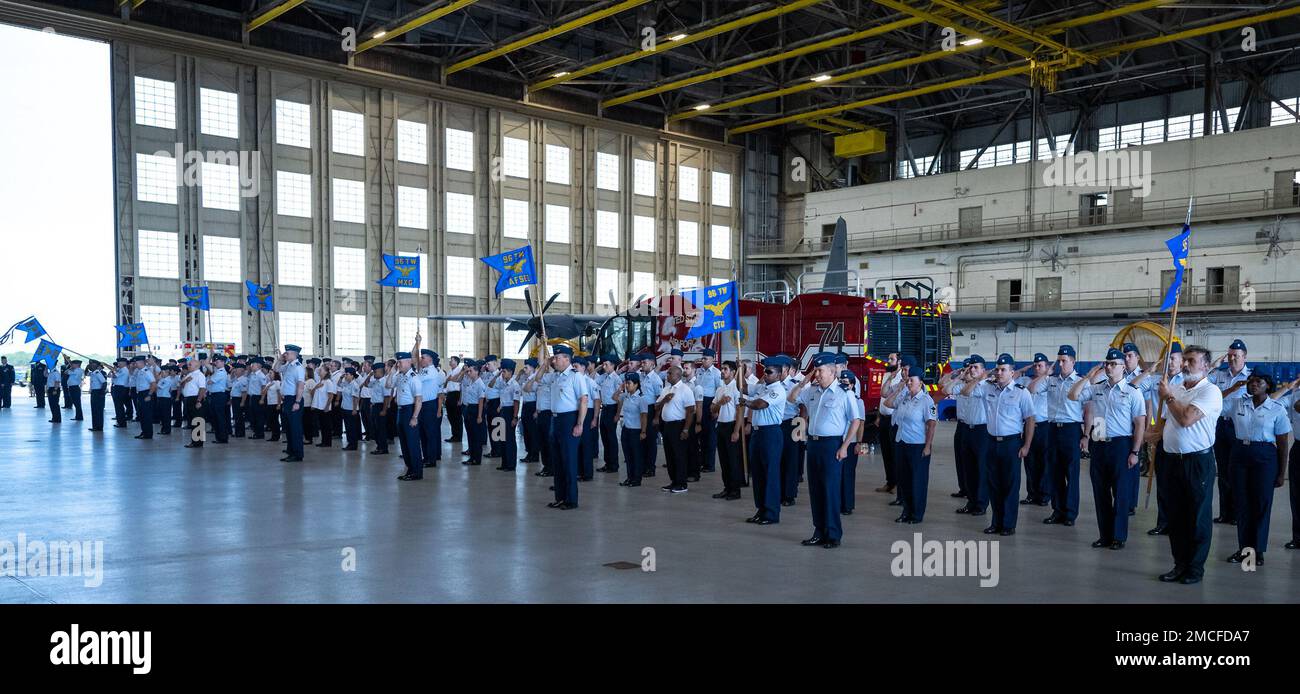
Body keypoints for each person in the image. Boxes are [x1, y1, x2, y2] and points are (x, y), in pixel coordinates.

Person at [1155, 344, 1223, 585]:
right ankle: (1179, 564)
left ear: (1205, 366)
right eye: (1184, 360)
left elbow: (1185, 419)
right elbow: (1164, 425)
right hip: (1172, 461)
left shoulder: (1211, 391)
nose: (1184, 364)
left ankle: (1195, 569)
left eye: (1191, 361)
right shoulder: (1177, 389)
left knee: (1197, 516)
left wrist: (1168, 396)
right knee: (1176, 517)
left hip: (1197, 462)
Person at [1070, 348, 1147, 550]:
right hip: (1099, 442)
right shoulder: (1097, 389)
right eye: (1107, 364)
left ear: (1123, 366)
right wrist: (1088, 376)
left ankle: (1118, 536)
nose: (1109, 367)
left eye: (1114, 364)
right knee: (1100, 493)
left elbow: (1140, 423)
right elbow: (1073, 395)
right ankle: (1105, 535)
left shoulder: (1132, 392)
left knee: (1121, 494)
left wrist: (1135, 451)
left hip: (1121, 445)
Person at [790, 353, 863, 548]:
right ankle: (818, 530)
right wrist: (803, 381)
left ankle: (833, 534)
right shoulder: (812, 391)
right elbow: (791, 398)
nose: (817, 375)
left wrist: (845, 446)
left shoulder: (844, 392)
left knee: (830, 489)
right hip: (813, 444)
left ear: (832, 372)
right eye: (815, 371)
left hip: (832, 445)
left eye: (820, 371)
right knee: (815, 490)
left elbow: (855, 420)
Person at [962, 353, 1035, 536]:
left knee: (1010, 485)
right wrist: (980, 377)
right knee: (993, 484)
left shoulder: (1021, 392)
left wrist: (1026, 445)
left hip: (1011, 443)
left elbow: (1030, 419)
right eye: (998, 369)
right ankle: (996, 522)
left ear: (1012, 372)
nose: (1000, 373)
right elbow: (966, 392)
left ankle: (1008, 524)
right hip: (991, 442)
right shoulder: (988, 388)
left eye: (1004, 370)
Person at [1226, 370, 1290, 565]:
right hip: (1239, 454)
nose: (1253, 384)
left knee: (1261, 504)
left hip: (1264, 457)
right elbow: (1215, 406)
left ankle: (1258, 551)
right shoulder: (1237, 403)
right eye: (1251, 381)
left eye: (1258, 382)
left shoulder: (1277, 409)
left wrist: (1281, 473)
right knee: (1242, 504)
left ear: (1267, 386)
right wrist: (1231, 389)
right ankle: (1245, 551)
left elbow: (1283, 443)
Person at [884, 360, 937, 524]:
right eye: (908, 380)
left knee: (917, 481)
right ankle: (906, 511)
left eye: (911, 381)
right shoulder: (905, 396)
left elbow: (931, 425)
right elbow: (887, 403)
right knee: (904, 480)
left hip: (918, 445)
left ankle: (916, 513)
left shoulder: (926, 401)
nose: (909, 383)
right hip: (902, 443)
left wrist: (928, 446)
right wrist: (899, 388)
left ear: (920, 382)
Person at [738, 357, 787, 525]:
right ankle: (761, 509)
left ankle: (772, 513)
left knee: (770, 473)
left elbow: (760, 404)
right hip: (758, 434)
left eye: (769, 372)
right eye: (764, 371)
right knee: (757, 473)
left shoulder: (778, 390)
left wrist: (746, 402)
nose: (765, 374)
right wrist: (740, 370)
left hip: (771, 433)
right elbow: (742, 387)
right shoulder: (761, 387)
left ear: (779, 374)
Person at [940, 355, 990, 517]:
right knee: (968, 468)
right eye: (971, 367)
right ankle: (971, 501)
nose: (972, 370)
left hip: (981, 431)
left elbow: (967, 391)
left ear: (983, 370)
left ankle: (981, 503)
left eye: (976, 367)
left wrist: (977, 379)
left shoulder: (987, 386)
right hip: (966, 429)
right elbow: (946, 389)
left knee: (981, 468)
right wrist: (960, 375)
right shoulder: (962, 383)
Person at [1209, 339, 1251, 525]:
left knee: (1239, 472)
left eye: (1237, 355)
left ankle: (1238, 514)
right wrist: (1213, 365)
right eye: (1230, 355)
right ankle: (1225, 513)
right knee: (1224, 471)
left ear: (1244, 357)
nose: (1233, 358)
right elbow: (1199, 378)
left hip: (1239, 426)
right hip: (1220, 425)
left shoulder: (1251, 378)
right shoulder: (1218, 375)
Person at [1043, 345, 1084, 527]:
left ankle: (1070, 513)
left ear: (1073, 362)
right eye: (1058, 360)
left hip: (1071, 429)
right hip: (1052, 429)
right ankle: (1057, 510)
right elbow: (1031, 389)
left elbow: (1089, 410)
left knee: (1071, 473)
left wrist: (1087, 435)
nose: (1060, 364)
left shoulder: (1081, 382)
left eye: (1064, 361)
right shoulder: (1051, 380)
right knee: (1054, 472)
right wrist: (1047, 373)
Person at [1148, 343, 1185, 536]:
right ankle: (1163, 522)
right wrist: (1151, 369)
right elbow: (1133, 385)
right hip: (1159, 435)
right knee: (1162, 482)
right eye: (1167, 357)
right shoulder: (1155, 380)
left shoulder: (1186, 381)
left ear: (1182, 360)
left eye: (1173, 357)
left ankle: (1179, 522)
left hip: (1178, 436)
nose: (1170, 361)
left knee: (1179, 483)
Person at [546, 345, 587, 510]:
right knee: (557, 461)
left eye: (557, 358)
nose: (554, 360)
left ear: (566, 359)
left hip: (569, 419)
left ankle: (571, 499)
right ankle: (560, 497)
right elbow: (538, 378)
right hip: (555, 420)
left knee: (569, 461)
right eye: (554, 358)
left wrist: (579, 423)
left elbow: (583, 400)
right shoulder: (556, 376)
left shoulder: (575, 376)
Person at [654, 365, 696, 494]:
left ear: (677, 375)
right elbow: (656, 406)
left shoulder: (685, 389)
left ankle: (682, 483)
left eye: (669, 373)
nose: (667, 376)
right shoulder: (666, 389)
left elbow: (690, 411)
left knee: (679, 455)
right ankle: (674, 481)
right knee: (669, 455)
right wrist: (664, 400)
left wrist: (686, 430)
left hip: (679, 425)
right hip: (667, 425)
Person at [1018, 354, 1052, 506]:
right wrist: (1026, 369)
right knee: (1029, 461)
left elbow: (1034, 389)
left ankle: (1044, 495)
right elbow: (1015, 376)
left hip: (1044, 426)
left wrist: (1046, 376)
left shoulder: (1051, 381)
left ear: (1047, 366)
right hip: (1028, 426)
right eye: (1035, 365)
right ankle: (1032, 494)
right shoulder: (1026, 380)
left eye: (1041, 366)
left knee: (1044, 462)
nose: (1037, 368)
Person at [711, 361, 743, 500]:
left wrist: (736, 431)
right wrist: (720, 403)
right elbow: (712, 410)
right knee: (723, 460)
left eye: (725, 369)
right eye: (722, 369)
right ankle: (727, 487)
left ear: (733, 372)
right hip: (721, 425)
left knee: (733, 460)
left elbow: (740, 411)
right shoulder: (720, 389)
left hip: (731, 425)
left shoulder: (737, 388)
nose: (722, 371)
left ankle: (735, 490)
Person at [875, 352, 904, 497]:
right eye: (889, 358)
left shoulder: (903, 377)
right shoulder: (887, 375)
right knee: (886, 452)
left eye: (892, 359)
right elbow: (882, 396)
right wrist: (879, 415)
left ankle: (898, 484)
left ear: (899, 361)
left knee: (894, 453)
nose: (889, 361)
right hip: (884, 418)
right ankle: (890, 482)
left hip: (895, 418)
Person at [393, 351, 424, 480]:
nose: (398, 364)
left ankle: (416, 472)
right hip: (400, 411)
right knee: (404, 444)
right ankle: (409, 469)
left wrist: (414, 417)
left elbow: (418, 399)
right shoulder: (400, 376)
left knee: (412, 443)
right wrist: (392, 371)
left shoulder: (413, 378)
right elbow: (389, 384)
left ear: (408, 362)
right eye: (397, 362)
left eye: (400, 362)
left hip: (409, 411)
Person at [617, 372, 647, 486]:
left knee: (636, 456)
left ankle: (636, 479)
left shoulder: (641, 398)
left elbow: (644, 416)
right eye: (626, 383)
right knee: (628, 455)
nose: (627, 385)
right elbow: (614, 398)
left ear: (636, 384)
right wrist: (620, 389)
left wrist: (643, 431)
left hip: (636, 430)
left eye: (629, 383)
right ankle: (629, 477)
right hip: (626, 429)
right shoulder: (626, 396)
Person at [695, 348, 722, 473]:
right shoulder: (698, 371)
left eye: (706, 358)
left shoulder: (716, 373)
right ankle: (700, 461)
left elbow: (719, 390)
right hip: (699, 403)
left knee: (710, 435)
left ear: (713, 359)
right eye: (703, 358)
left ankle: (709, 464)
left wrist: (716, 409)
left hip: (710, 403)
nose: (703, 360)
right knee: (700, 435)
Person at [279, 345, 306, 462]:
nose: (285, 355)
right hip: (287, 399)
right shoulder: (288, 365)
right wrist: (279, 359)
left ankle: (298, 454)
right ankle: (291, 450)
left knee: (295, 428)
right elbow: (276, 369)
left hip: (294, 399)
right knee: (289, 427)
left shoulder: (298, 367)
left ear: (294, 354)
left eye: (287, 353)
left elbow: (300, 386)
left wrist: (297, 402)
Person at [638, 355, 663, 477]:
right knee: (642, 439)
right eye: (642, 362)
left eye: (645, 362)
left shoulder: (655, 379)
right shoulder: (641, 376)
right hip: (641, 410)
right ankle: (642, 465)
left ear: (652, 364)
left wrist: (656, 417)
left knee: (650, 441)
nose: (642, 364)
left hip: (651, 409)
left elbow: (659, 400)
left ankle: (650, 468)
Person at [596, 355, 621, 474]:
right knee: (605, 437)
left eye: (606, 364)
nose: (604, 366)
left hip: (612, 409)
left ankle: (614, 465)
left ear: (613, 365)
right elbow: (591, 380)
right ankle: (607, 463)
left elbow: (620, 399)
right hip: (605, 409)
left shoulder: (617, 379)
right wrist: (598, 368)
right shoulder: (603, 377)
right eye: (603, 364)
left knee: (611, 438)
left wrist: (617, 414)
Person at [460, 361, 486, 466]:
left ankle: (476, 459)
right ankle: (472, 456)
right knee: (470, 435)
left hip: (475, 410)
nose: (468, 372)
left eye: (470, 371)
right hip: (468, 408)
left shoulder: (480, 383)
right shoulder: (471, 382)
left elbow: (481, 400)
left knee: (476, 436)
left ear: (477, 372)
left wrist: (479, 416)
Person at [496, 359, 520, 471]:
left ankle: (511, 464)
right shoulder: (503, 383)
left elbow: (516, 402)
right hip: (503, 411)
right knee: (502, 438)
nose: (502, 373)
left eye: (504, 371)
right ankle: (504, 463)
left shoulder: (514, 385)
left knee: (509, 439)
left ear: (510, 372)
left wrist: (515, 417)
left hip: (510, 412)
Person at [180, 359, 207, 448]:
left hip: (195, 398)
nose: (188, 366)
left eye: (190, 364)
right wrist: (185, 381)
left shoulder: (200, 375)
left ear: (196, 366)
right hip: (188, 399)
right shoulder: (190, 374)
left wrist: (199, 401)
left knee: (198, 421)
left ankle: (198, 443)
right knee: (192, 421)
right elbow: (181, 384)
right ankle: (194, 441)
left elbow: (202, 389)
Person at [520, 358, 540, 463]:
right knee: (526, 432)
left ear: (532, 368)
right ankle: (529, 453)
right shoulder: (526, 378)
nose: (524, 369)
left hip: (532, 406)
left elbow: (538, 395)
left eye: (526, 367)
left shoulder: (536, 379)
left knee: (533, 432)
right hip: (525, 406)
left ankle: (534, 455)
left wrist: (537, 410)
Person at [131, 355, 156, 439]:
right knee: (141, 414)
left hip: (146, 393)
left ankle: (148, 434)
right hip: (140, 394)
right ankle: (144, 432)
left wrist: (149, 395)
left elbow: (153, 384)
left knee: (146, 415)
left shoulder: (146, 371)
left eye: (136, 362)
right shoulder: (139, 371)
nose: (135, 364)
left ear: (141, 362)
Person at [207, 356, 230, 444]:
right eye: (215, 362)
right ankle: (219, 437)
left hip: (219, 396)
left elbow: (210, 382)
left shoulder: (221, 372)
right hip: (214, 395)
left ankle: (223, 438)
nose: (215, 363)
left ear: (223, 362)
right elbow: (206, 364)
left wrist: (209, 378)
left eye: (217, 362)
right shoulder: (217, 371)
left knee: (220, 417)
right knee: (215, 417)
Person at [245, 359, 268, 440]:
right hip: (252, 397)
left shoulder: (261, 375)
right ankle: (255, 432)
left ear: (259, 365)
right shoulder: (252, 374)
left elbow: (263, 388)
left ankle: (260, 434)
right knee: (253, 416)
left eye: (253, 365)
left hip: (258, 397)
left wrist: (262, 399)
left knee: (259, 416)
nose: (251, 366)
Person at [444, 356, 464, 444]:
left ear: (456, 362)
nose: (450, 362)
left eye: (451, 360)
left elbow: (454, 381)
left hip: (456, 394)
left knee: (457, 417)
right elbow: (446, 382)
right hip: (449, 394)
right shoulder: (449, 371)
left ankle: (458, 436)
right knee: (451, 416)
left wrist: (460, 399)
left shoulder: (460, 370)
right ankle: (454, 435)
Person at [153, 364, 175, 436]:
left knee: (166, 415)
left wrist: (153, 383)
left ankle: (166, 430)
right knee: (162, 415)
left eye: (162, 372)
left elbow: (159, 387)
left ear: (167, 372)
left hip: (165, 399)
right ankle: (163, 429)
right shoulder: (162, 379)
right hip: (160, 398)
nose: (161, 374)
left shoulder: (168, 380)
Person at [86, 360, 107, 431]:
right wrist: (86, 367)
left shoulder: (97, 373)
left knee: (98, 410)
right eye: (89, 364)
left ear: (95, 365)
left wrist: (101, 393)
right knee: (94, 410)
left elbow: (104, 382)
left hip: (98, 392)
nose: (90, 365)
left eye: (91, 364)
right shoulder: (93, 373)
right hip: (94, 392)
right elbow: (85, 373)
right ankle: (96, 426)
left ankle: (98, 427)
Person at [263, 369, 282, 442]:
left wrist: (279, 404)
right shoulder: (269, 383)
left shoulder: (277, 382)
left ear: (275, 374)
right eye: (269, 373)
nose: (269, 374)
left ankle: (276, 436)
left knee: (275, 420)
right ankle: (274, 435)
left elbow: (279, 394)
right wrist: (268, 386)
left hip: (275, 404)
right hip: (270, 403)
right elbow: (263, 392)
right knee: (271, 420)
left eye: (271, 373)